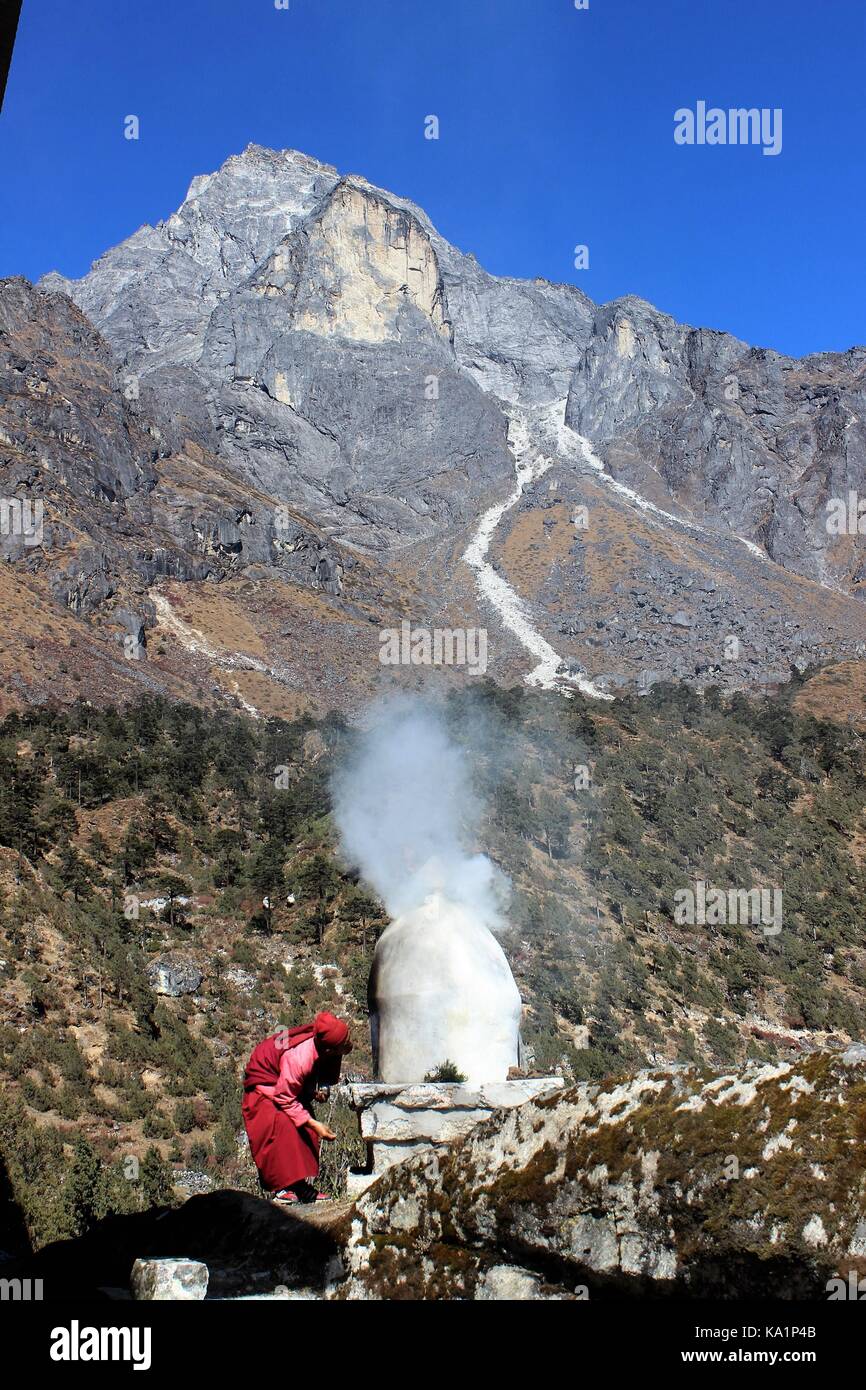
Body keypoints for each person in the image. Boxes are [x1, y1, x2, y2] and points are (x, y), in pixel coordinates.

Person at [241, 1011, 352, 1203]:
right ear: (330, 1049)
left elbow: (312, 1074)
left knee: (304, 1132)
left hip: (283, 1080)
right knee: (282, 1129)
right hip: (267, 1085)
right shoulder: (300, 1057)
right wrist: (314, 1124)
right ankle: (282, 1189)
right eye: (343, 1044)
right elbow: (284, 1094)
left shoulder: (324, 1043)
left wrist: (315, 1091)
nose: (348, 1044)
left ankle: (300, 1187)